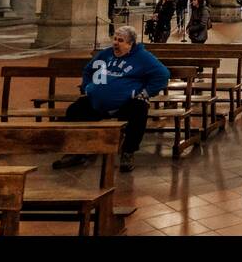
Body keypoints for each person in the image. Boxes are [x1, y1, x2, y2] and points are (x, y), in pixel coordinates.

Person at [53, 25, 170, 172]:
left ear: (130, 44)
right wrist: (87, 87)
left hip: (126, 104)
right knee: (74, 110)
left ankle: (128, 152)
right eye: (114, 39)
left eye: (120, 40)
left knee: (140, 110)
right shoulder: (105, 54)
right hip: (97, 102)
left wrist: (145, 94)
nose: (115, 43)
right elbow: (89, 70)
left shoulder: (143, 57)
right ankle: (77, 151)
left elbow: (163, 75)